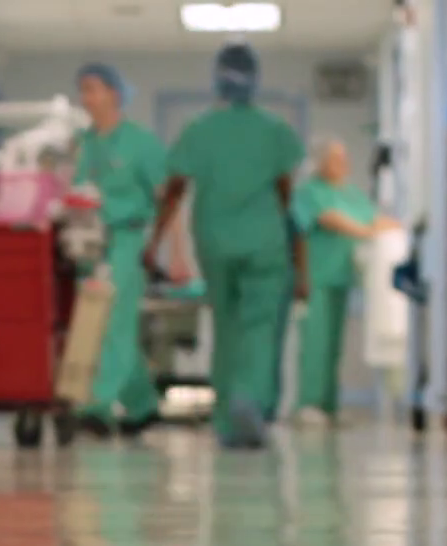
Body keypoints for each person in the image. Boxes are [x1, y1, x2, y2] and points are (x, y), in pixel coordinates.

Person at [148, 43, 307, 450]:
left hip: (215, 243)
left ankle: (226, 419)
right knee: (260, 325)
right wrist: (300, 259)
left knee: (226, 326)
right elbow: (286, 195)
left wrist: (154, 242)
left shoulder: (198, 131)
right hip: (265, 243)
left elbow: (174, 191)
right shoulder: (275, 131)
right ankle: (248, 400)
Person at [71, 62, 169, 437]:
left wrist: (171, 251)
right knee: (97, 325)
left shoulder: (141, 144)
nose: (87, 98)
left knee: (113, 325)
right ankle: (142, 403)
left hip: (126, 241)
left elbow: (167, 198)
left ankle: (97, 405)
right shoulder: (83, 144)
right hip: (87, 243)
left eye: (93, 89)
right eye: (83, 90)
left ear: (115, 93)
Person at [290, 139, 401, 426]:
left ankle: (328, 406)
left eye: (344, 159)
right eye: (336, 159)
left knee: (333, 344)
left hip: (341, 278)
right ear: (321, 163)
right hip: (314, 278)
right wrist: (364, 229)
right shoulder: (309, 193)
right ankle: (308, 404)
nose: (343, 165)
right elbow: (331, 220)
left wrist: (398, 228)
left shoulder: (350, 194)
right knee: (315, 344)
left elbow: (376, 219)